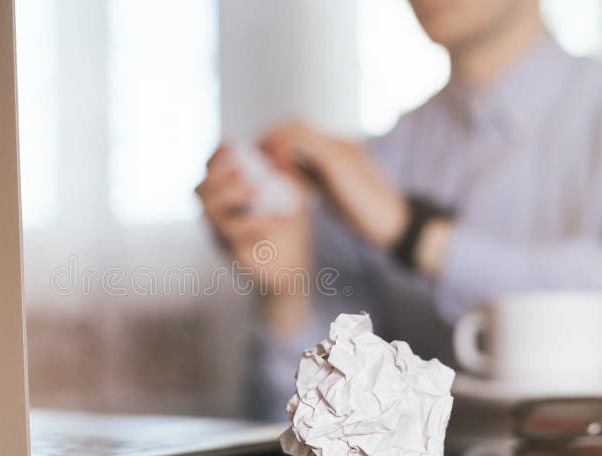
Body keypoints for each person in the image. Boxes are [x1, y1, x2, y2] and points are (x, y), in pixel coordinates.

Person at [196, 0, 602, 419]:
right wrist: (286, 294)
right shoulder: (377, 165)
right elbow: (312, 421)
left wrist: (413, 234)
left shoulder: (371, 190)